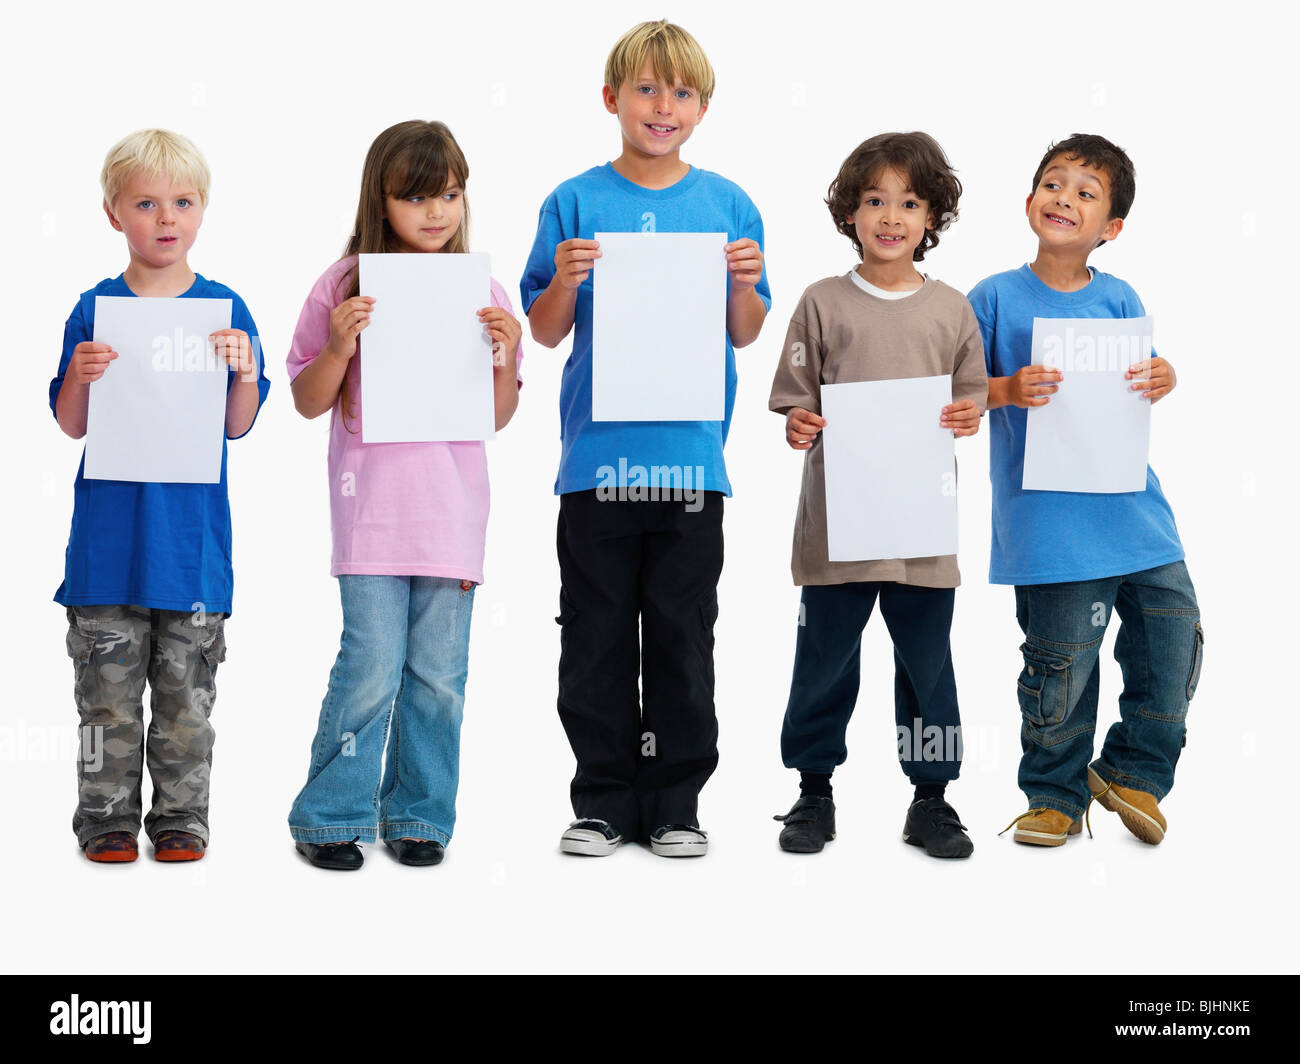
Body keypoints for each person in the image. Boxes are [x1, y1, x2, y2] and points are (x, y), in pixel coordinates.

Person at [520, 19, 769, 857]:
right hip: (595, 464)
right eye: (647, 89)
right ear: (611, 98)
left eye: (683, 92)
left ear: (703, 107)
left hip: (692, 463)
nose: (664, 106)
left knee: (680, 635)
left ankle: (674, 804)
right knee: (592, 633)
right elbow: (546, 331)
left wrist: (743, 285)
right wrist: (563, 279)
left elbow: (746, 332)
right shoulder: (575, 200)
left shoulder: (729, 204)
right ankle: (601, 801)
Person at [286, 120, 523, 870]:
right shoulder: (345, 282)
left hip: (452, 519)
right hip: (372, 517)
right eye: (415, 196)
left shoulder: (482, 290)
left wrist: (505, 356)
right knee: (370, 666)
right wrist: (338, 347)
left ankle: (419, 815)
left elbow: (497, 417)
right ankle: (331, 816)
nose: (435, 212)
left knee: (439, 678)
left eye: (449, 194)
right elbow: (304, 398)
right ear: (379, 201)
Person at [968, 134, 1203, 847]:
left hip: (1135, 512)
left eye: (1085, 192)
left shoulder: (1120, 296)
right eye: (1053, 183)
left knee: (1173, 635)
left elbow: (1139, 373)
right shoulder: (994, 298)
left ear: (1113, 228)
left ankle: (1133, 772)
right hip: (1052, 524)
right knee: (1062, 663)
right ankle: (1054, 794)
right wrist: (1005, 388)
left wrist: (1164, 374)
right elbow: (954, 394)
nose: (1064, 198)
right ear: (1029, 201)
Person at [51, 128, 270, 863]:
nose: (165, 217)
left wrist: (242, 372)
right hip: (107, 553)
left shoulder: (227, 310)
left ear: (203, 210)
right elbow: (69, 425)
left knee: (186, 704)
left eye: (182, 201)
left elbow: (238, 428)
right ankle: (104, 818)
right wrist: (80, 374)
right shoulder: (93, 309)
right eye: (146, 203)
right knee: (104, 703)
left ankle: (182, 818)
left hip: (192, 554)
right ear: (115, 214)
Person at [769, 132, 986, 859]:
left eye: (910, 202)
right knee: (823, 662)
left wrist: (968, 413)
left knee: (929, 667)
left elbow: (970, 400)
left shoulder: (953, 310)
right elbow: (797, 404)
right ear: (851, 212)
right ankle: (813, 790)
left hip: (921, 532)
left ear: (932, 218)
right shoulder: (821, 302)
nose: (891, 216)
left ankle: (932, 799)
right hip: (836, 531)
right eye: (874, 201)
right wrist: (799, 425)